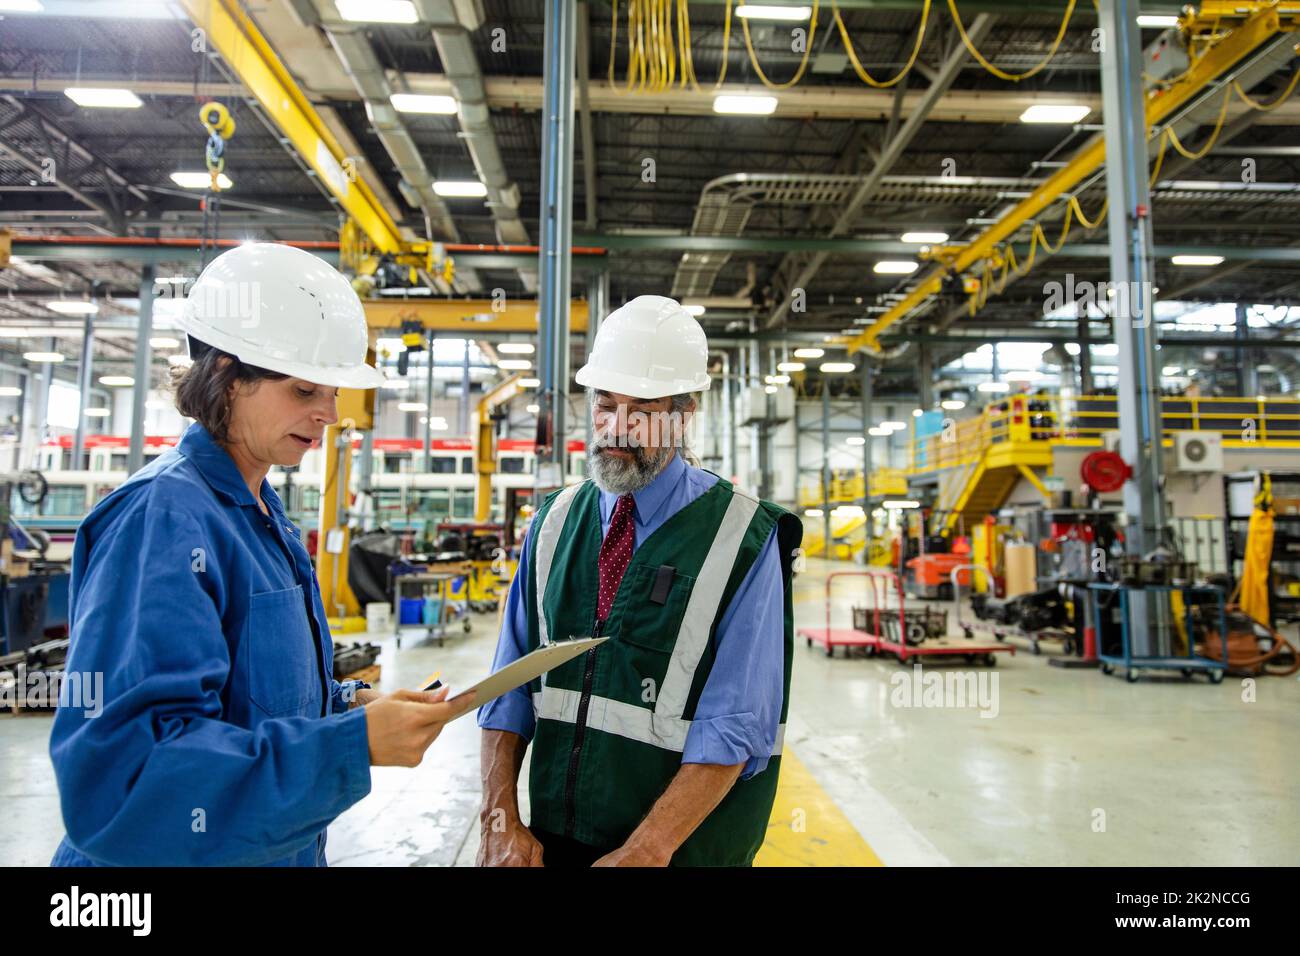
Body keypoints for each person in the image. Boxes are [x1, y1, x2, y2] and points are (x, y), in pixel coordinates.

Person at [49, 242, 473, 867]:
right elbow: (126, 781)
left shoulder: (263, 516)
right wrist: (350, 748)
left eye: (331, 392)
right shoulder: (163, 520)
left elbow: (263, 698)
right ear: (226, 374)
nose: (328, 414)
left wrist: (353, 708)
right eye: (305, 390)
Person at [477, 295, 802, 867]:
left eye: (644, 408)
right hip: (553, 845)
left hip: (679, 853)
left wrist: (649, 849)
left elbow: (736, 725)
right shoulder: (554, 523)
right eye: (605, 403)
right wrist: (499, 818)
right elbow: (506, 692)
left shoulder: (743, 538)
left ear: (685, 411)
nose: (617, 427)